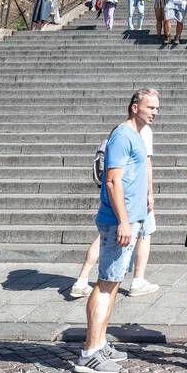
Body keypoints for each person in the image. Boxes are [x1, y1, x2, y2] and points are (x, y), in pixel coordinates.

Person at [69, 112, 162, 300]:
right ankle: (138, 280)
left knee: (105, 239)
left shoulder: (120, 131)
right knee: (143, 234)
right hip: (133, 197)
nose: (155, 112)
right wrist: (149, 194)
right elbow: (146, 164)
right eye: (151, 107)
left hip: (121, 197)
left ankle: (82, 278)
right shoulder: (141, 132)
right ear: (136, 108)